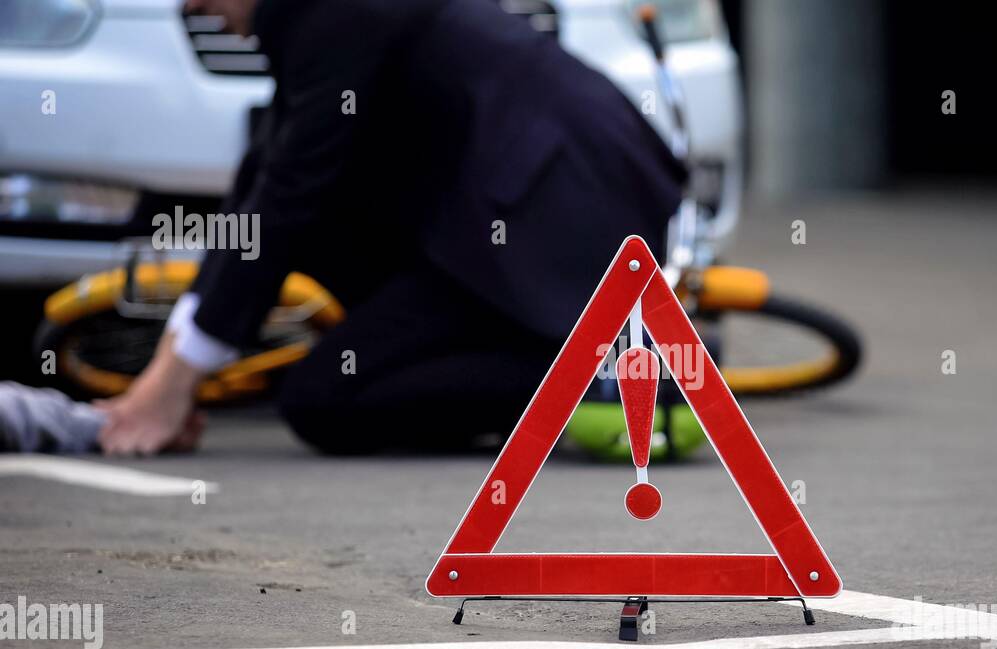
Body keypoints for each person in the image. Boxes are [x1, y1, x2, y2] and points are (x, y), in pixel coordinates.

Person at [91, 0, 684, 455]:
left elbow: (288, 193)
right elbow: (269, 178)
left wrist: (175, 382)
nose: (188, 7)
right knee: (315, 223)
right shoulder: (312, 16)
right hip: (525, 205)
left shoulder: (331, 12)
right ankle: (576, 351)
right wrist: (170, 372)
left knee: (325, 400)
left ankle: (615, 365)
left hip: (562, 213)